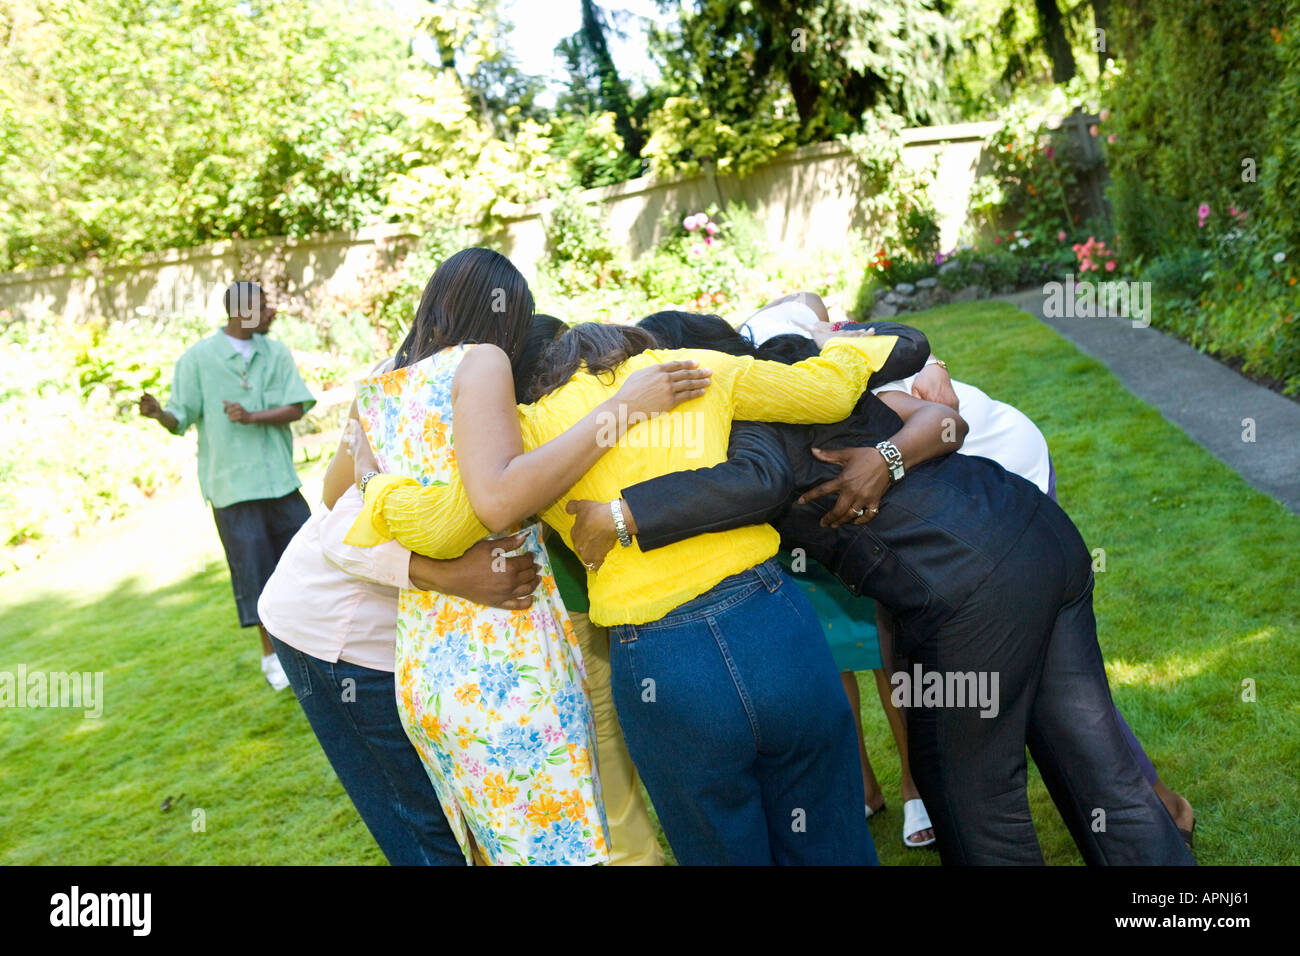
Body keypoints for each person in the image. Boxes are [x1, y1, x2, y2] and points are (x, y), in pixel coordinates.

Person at [565, 311, 1196, 866]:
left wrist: (620, 516)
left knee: (971, 800)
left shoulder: (753, 415)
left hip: (971, 586)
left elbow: (760, 481)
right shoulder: (810, 387)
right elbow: (938, 419)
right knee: (1098, 766)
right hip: (1036, 534)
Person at [349, 316, 929, 865]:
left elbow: (445, 525)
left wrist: (373, 482)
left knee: (718, 845)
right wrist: (854, 344)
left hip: (662, 666)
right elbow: (827, 393)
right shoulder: (693, 366)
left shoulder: (528, 437)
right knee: (830, 834)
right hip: (772, 626)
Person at [742, 293, 1196, 849]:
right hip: (1015, 528)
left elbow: (943, 417)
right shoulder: (761, 387)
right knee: (1070, 730)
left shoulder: (804, 372)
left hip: (993, 487)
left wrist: (886, 448)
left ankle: (1163, 809)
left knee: (979, 786)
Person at [348, 249, 711, 865]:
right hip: (506, 661)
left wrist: (371, 483)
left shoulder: (380, 389)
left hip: (427, 664)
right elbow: (498, 499)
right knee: (567, 851)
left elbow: (343, 496)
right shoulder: (481, 360)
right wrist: (621, 411)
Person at [139, 280, 315, 690]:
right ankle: (272, 658)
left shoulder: (276, 352)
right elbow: (179, 418)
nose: (271, 311)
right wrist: (159, 413)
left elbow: (296, 406)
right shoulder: (197, 359)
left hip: (281, 483)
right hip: (232, 489)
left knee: (309, 565)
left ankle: (316, 647)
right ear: (240, 312)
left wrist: (252, 416)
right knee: (255, 577)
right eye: (262, 306)